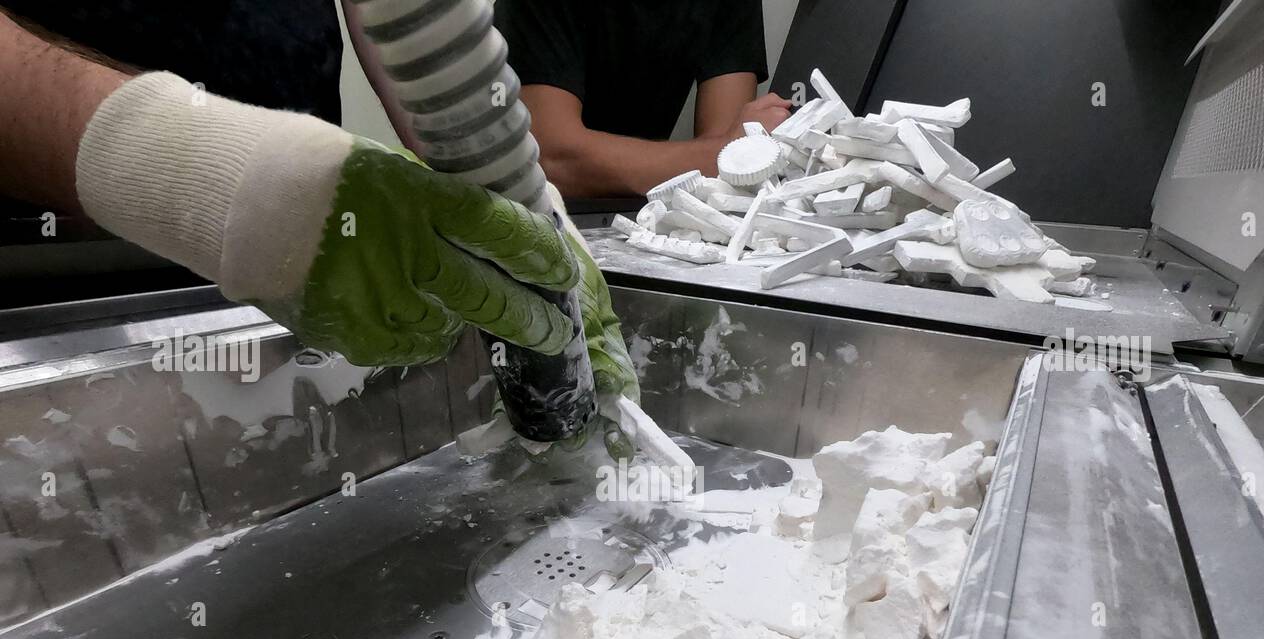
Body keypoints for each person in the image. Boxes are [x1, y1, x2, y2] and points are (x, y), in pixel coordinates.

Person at [0, 3, 636, 438]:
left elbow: (424, 32)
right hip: (53, 292)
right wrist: (204, 175)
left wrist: (522, 203)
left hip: (320, 257)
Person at [495, 0, 791, 198]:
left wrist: (737, 152)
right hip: (519, 213)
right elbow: (554, 159)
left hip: (638, 215)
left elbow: (727, 172)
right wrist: (729, 153)